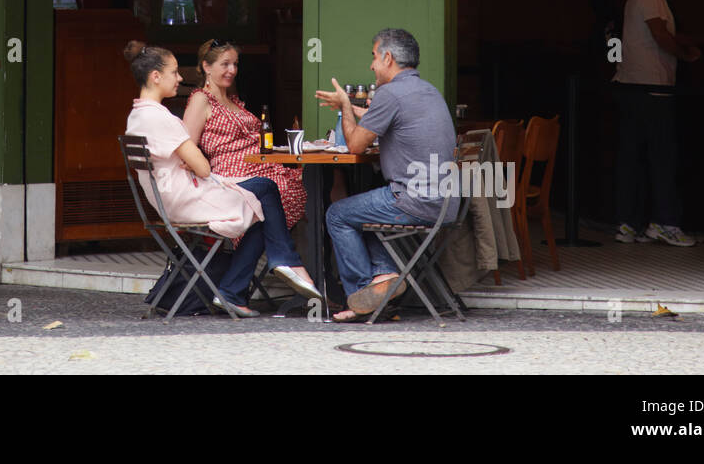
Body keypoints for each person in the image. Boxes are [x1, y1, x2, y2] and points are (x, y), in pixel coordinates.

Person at [123, 40, 322, 317]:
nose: (180, 78)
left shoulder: (138, 116)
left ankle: (239, 288)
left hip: (172, 196)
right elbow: (202, 167)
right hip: (184, 198)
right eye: (175, 72)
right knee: (264, 194)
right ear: (156, 77)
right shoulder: (161, 118)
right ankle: (279, 264)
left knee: (261, 197)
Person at [315, 28, 456, 322]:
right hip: (445, 202)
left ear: (388, 57)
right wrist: (352, 108)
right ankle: (385, 276)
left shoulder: (390, 93)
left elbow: (354, 145)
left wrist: (344, 108)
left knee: (339, 214)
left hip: (413, 201)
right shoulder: (429, 91)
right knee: (367, 207)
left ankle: (360, 296)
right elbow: (387, 116)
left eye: (374, 57)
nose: (371, 66)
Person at [612, 0, 700, 246]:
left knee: (632, 157)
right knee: (663, 157)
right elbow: (660, 36)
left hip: (631, 86)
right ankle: (665, 222)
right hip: (654, 88)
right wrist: (686, 55)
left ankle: (628, 223)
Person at [181, 38, 306, 229]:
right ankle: (282, 254)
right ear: (207, 66)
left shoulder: (232, 100)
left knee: (308, 182)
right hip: (234, 175)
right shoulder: (201, 99)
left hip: (261, 168)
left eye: (235, 64)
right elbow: (186, 146)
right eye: (225, 64)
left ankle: (283, 254)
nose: (232, 70)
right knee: (286, 189)